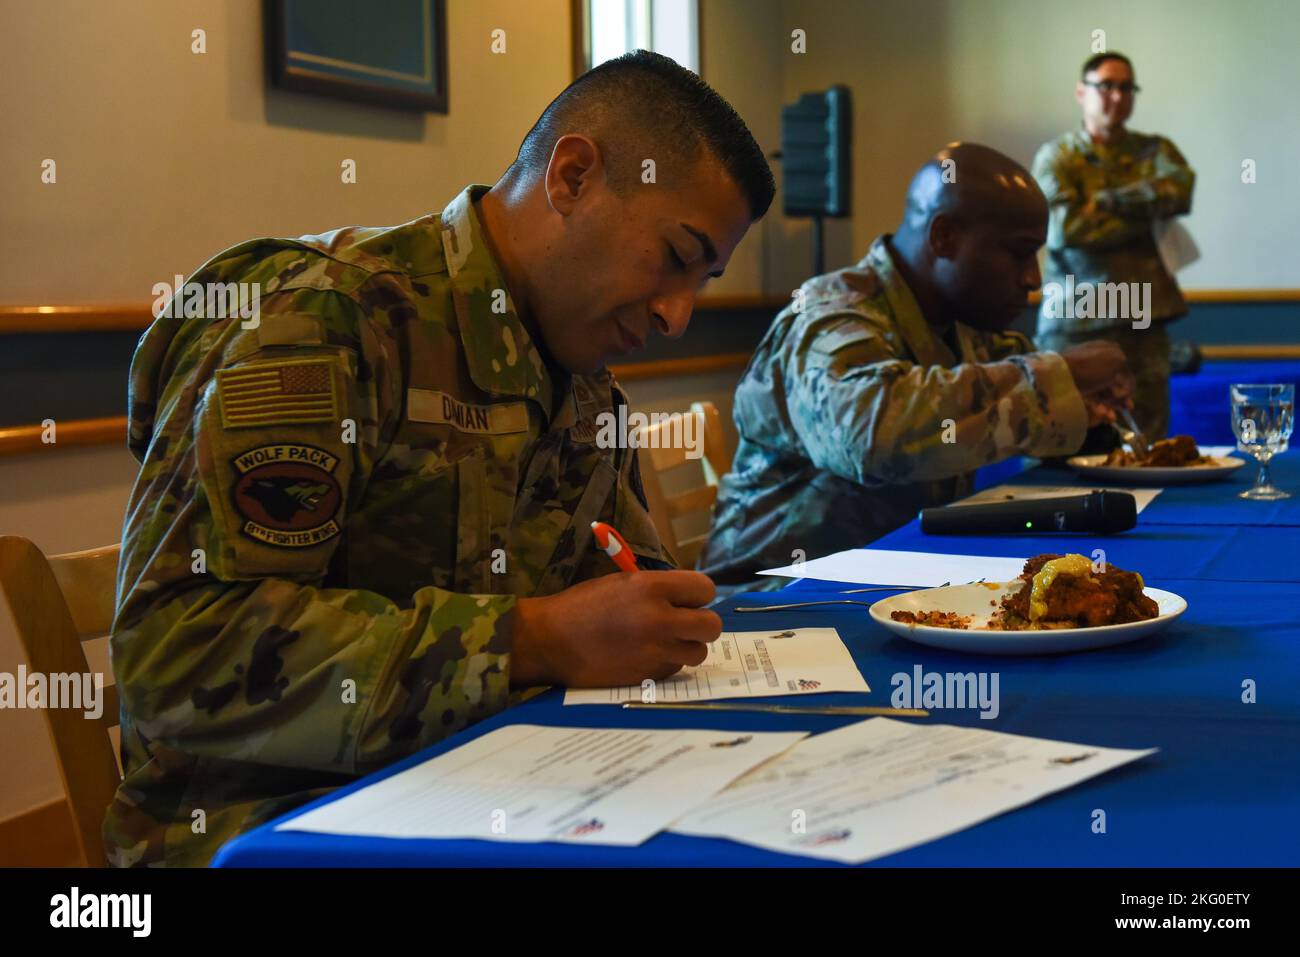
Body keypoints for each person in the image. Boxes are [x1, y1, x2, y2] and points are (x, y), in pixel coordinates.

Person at [105, 50, 774, 867]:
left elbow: (628, 586)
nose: (678, 314)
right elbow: (173, 655)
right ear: (572, 177)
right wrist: (524, 638)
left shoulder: (583, 382)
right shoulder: (326, 321)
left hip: (507, 790)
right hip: (272, 831)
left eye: (704, 280)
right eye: (677, 256)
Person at [698, 143, 1133, 594]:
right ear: (943, 237)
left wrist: (1085, 411)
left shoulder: (960, 325)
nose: (1032, 279)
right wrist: (1060, 373)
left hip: (883, 584)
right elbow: (873, 436)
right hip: (774, 600)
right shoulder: (830, 314)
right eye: (1019, 253)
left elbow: (1001, 402)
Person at [1032, 51, 1195, 440]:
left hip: (1141, 313)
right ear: (1081, 92)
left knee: (1148, 443)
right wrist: (1142, 210)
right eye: (1105, 85)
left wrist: (1105, 201)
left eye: (1126, 87)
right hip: (1075, 319)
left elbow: (1180, 192)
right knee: (1062, 437)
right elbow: (1066, 228)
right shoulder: (1058, 157)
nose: (1117, 96)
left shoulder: (1156, 151)